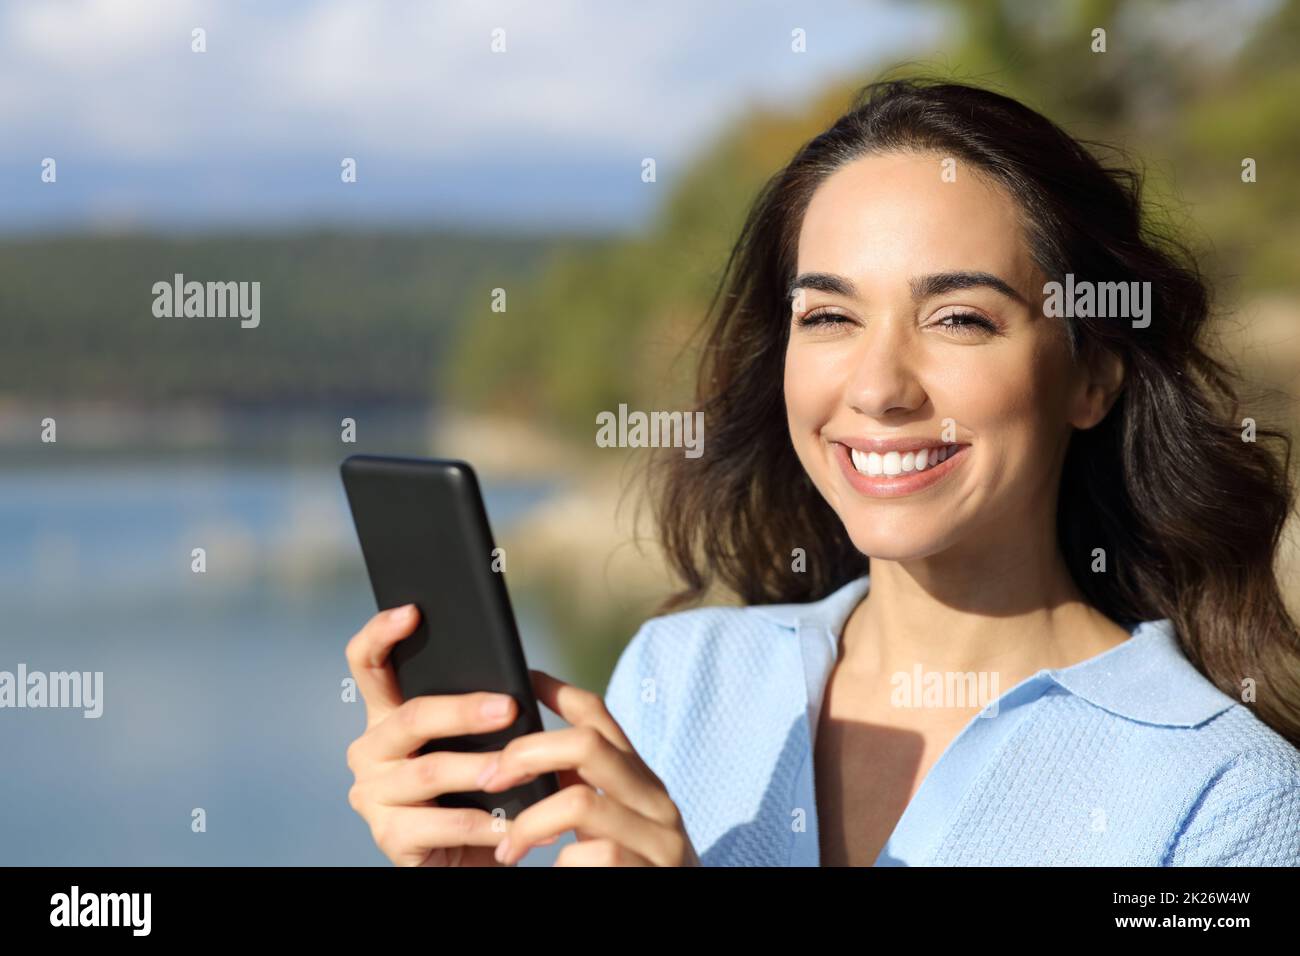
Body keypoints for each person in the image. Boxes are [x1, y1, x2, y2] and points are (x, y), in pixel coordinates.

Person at [343, 78, 1300, 866]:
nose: (878, 389)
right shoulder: (680, 680)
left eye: (959, 317)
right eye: (830, 317)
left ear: (1091, 374)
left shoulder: (1229, 800)